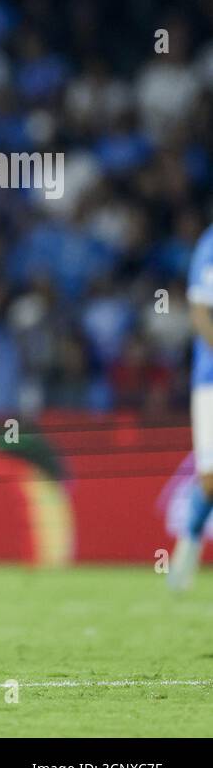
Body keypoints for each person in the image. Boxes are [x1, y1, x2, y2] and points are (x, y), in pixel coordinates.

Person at [170, 220, 213, 590]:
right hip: (210, 380)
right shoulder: (210, 245)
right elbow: (200, 311)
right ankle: (190, 537)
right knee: (211, 479)